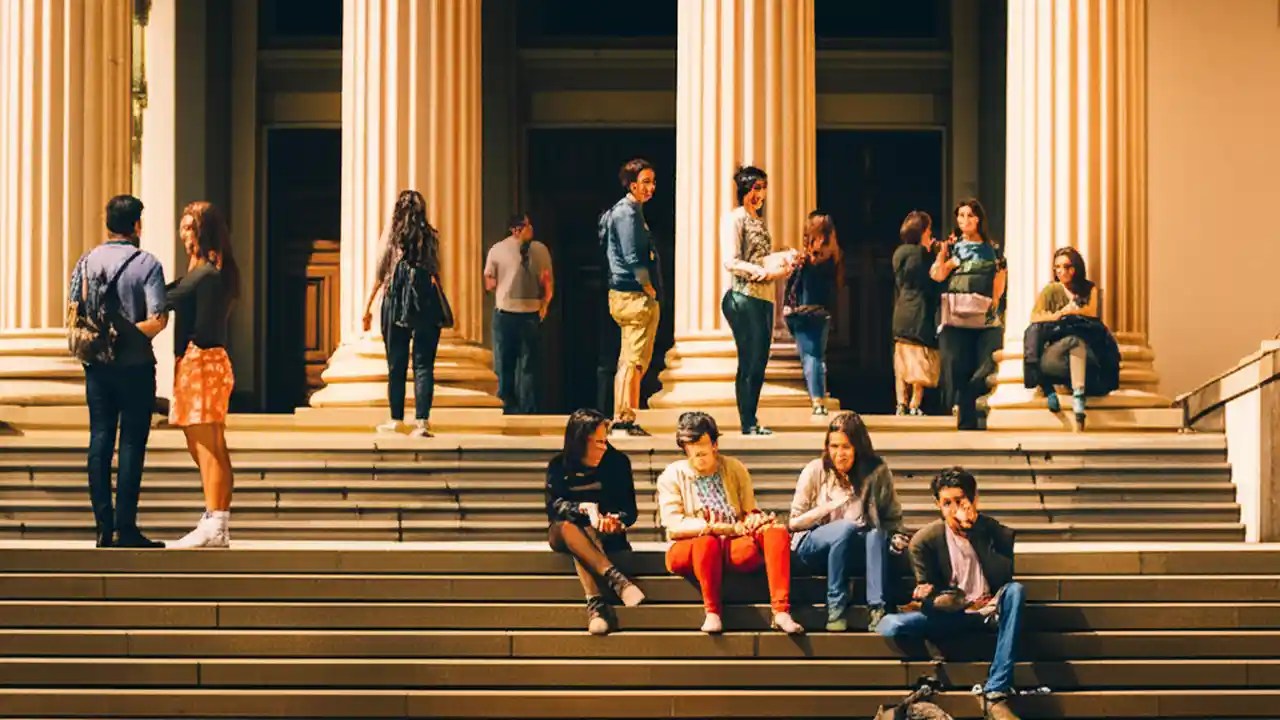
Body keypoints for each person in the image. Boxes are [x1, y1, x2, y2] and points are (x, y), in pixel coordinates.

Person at [878, 468, 1025, 720]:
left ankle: (996, 687)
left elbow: (1003, 576)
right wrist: (933, 597)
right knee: (890, 624)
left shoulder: (993, 531)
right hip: (952, 614)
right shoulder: (925, 541)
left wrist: (975, 530)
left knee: (1016, 591)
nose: (954, 509)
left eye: (960, 501)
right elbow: (927, 592)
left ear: (973, 499)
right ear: (938, 504)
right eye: (947, 503)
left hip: (989, 610)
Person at [67, 195, 168, 548]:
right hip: (136, 367)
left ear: (107, 223)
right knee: (130, 444)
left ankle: (102, 525)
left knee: (99, 439)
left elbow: (74, 309)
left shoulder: (86, 261)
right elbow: (159, 319)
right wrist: (126, 334)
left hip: (97, 366)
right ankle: (126, 527)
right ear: (137, 225)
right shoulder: (148, 264)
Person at [657, 411, 803, 635]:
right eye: (691, 448)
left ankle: (781, 611)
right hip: (691, 546)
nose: (699, 454)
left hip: (733, 544)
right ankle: (713, 612)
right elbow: (674, 524)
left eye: (703, 447)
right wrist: (717, 528)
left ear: (714, 444)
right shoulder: (672, 475)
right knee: (706, 542)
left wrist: (755, 519)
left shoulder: (734, 468)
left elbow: (747, 510)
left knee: (775, 532)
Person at [789, 411, 908, 632]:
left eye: (846, 447)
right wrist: (827, 507)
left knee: (875, 533)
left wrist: (897, 539)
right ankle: (836, 607)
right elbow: (794, 523)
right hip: (813, 545)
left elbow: (892, 518)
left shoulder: (877, 472)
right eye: (834, 446)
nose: (839, 454)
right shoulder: (815, 470)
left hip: (856, 548)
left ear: (858, 448)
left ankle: (877, 608)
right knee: (844, 528)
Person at [165, 202, 240, 548]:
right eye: (182, 227)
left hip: (203, 361)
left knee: (208, 446)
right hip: (203, 362)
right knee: (205, 445)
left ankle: (215, 521)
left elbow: (170, 296)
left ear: (204, 231)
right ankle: (216, 521)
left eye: (190, 227)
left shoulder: (206, 273)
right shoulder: (207, 271)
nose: (184, 234)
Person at [545, 408, 645, 634]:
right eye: (598, 442)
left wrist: (616, 520)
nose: (604, 447)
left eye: (605, 440)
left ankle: (597, 607)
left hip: (603, 535)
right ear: (580, 441)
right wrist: (582, 509)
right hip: (564, 531)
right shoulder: (558, 466)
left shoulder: (617, 462)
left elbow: (629, 510)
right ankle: (617, 580)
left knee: (586, 534)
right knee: (574, 526)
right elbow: (554, 507)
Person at [361, 190, 449, 438]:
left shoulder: (391, 239)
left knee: (396, 365)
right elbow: (437, 271)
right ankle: (422, 422)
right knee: (423, 366)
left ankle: (396, 419)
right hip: (425, 304)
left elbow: (381, 275)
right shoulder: (431, 238)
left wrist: (367, 308)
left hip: (395, 302)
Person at [721, 166, 797, 435]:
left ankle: (751, 418)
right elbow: (731, 261)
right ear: (744, 190)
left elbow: (760, 257)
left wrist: (783, 259)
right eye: (755, 188)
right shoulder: (736, 218)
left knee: (760, 360)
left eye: (763, 188)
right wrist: (761, 271)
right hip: (744, 296)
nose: (760, 194)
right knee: (750, 359)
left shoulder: (758, 220)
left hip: (763, 297)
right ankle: (747, 421)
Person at [1024, 247, 1120, 431]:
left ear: (1076, 268)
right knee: (1073, 342)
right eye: (1057, 267)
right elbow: (1035, 317)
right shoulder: (1051, 290)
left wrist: (1074, 311)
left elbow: (1092, 313)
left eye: (1067, 266)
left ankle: (1077, 394)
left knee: (1079, 344)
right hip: (1056, 352)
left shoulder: (1088, 289)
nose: (1062, 271)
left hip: (1085, 354)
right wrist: (1059, 315)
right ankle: (1077, 399)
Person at [599, 158, 662, 437]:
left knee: (633, 358)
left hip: (629, 293)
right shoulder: (627, 213)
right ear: (633, 184)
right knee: (632, 358)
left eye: (653, 182)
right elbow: (632, 254)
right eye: (645, 182)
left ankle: (627, 414)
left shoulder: (629, 211)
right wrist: (647, 285)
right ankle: (624, 417)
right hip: (631, 294)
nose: (651, 187)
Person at [931, 199, 1006, 430]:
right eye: (961, 216)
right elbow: (937, 275)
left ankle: (972, 408)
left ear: (979, 219)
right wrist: (944, 257)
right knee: (957, 368)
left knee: (984, 366)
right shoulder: (954, 247)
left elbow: (999, 279)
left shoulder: (991, 248)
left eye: (970, 215)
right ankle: (966, 421)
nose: (965, 220)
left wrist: (995, 303)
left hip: (984, 317)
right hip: (956, 317)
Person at [484, 213, 553, 415]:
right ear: (515, 230)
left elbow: (547, 279)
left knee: (529, 365)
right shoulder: (498, 249)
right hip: (506, 311)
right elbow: (489, 278)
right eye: (526, 225)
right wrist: (493, 283)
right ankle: (507, 405)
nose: (531, 228)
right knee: (505, 363)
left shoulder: (539, 250)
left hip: (531, 312)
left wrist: (545, 304)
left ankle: (528, 409)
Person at [783, 211, 841, 416]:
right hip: (821, 313)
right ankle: (819, 397)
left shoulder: (807, 258)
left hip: (802, 312)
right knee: (817, 356)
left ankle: (817, 399)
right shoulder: (833, 255)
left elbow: (794, 282)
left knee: (811, 357)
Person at [891, 210, 941, 416]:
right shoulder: (922, 255)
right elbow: (933, 278)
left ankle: (900, 403)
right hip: (919, 310)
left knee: (902, 359)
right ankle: (914, 404)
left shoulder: (899, 253)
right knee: (919, 356)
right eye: (928, 229)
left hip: (902, 309)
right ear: (922, 231)